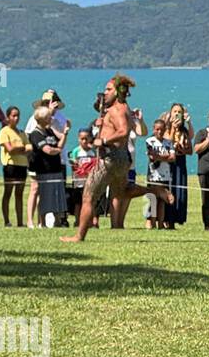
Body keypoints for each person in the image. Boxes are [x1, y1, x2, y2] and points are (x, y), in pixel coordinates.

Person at [63, 75, 173, 242]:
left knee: (88, 197)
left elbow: (122, 132)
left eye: (108, 89)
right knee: (123, 192)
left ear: (117, 91)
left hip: (110, 159)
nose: (105, 92)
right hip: (122, 159)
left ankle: (79, 236)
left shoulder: (117, 110)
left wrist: (103, 140)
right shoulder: (123, 108)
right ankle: (155, 190)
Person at [27, 106, 68, 227]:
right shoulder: (35, 134)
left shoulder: (49, 131)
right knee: (45, 197)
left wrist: (65, 133)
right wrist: (58, 149)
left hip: (56, 168)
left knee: (56, 196)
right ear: (43, 119)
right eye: (49, 117)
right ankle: (42, 222)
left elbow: (59, 142)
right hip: (44, 170)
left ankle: (57, 221)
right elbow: (47, 150)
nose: (51, 118)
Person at [0, 106, 28, 227]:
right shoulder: (4, 131)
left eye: (18, 115)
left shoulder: (21, 133)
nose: (16, 118)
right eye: (13, 115)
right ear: (8, 117)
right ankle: (7, 221)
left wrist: (18, 148)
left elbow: (29, 148)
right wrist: (21, 148)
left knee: (19, 194)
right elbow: (10, 149)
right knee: (8, 192)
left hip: (22, 165)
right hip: (10, 166)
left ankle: (20, 222)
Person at [160, 103, 191, 228]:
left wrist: (188, 123)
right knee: (170, 189)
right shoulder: (166, 129)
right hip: (169, 163)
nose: (177, 114)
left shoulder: (184, 130)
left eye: (179, 111)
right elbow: (169, 143)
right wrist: (173, 128)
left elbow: (190, 149)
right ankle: (166, 219)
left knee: (179, 191)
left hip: (180, 162)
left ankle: (176, 218)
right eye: (174, 111)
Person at [145, 118, 176, 228]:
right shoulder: (150, 141)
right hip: (153, 175)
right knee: (153, 200)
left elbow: (172, 158)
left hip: (166, 174)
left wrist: (160, 157)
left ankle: (161, 224)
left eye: (162, 130)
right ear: (153, 129)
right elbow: (152, 156)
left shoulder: (168, 142)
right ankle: (152, 222)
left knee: (163, 200)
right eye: (157, 129)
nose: (159, 132)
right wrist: (165, 156)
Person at [68, 128, 100, 226]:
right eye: (82, 139)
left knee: (92, 201)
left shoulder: (93, 151)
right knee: (78, 202)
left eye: (87, 139)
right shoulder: (76, 151)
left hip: (91, 181)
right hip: (79, 182)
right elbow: (72, 164)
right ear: (78, 139)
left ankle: (94, 221)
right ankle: (78, 221)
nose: (84, 141)